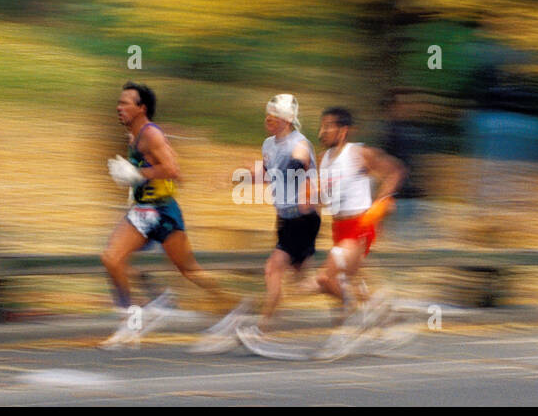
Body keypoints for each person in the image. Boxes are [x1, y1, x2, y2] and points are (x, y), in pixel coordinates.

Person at [99, 81, 229, 349]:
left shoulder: (150, 135)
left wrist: (137, 174)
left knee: (189, 270)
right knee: (112, 259)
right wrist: (133, 180)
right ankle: (132, 322)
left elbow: (172, 170)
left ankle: (231, 308)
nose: (119, 107)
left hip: (163, 211)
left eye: (125, 103)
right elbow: (171, 169)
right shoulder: (134, 136)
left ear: (141, 108)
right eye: (119, 102)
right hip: (142, 211)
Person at [191, 94, 319, 354]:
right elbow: (266, 174)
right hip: (285, 218)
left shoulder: (299, 142)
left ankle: (261, 330)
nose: (268, 120)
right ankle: (354, 296)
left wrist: (293, 169)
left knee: (272, 269)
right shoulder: (269, 145)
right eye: (267, 115)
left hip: (302, 218)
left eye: (274, 116)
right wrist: (232, 178)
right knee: (303, 283)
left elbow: (300, 158)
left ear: (288, 120)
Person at [293, 107, 405, 357]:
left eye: (328, 126)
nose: (322, 132)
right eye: (322, 126)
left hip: (360, 226)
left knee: (326, 279)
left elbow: (396, 171)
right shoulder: (323, 159)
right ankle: (382, 320)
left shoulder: (360, 153)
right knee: (347, 285)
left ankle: (355, 321)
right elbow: (322, 195)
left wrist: (382, 202)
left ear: (343, 131)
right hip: (339, 228)